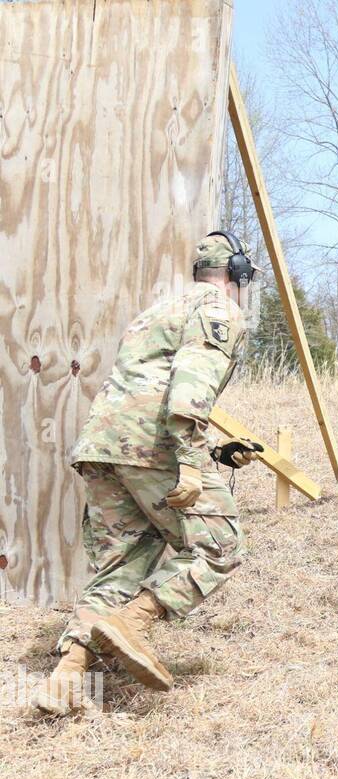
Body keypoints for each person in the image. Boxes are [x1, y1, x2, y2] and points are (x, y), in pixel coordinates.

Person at [32, 232, 262, 715]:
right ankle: (132, 623)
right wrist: (190, 461)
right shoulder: (219, 310)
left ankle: (67, 675)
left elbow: (145, 390)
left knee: (128, 559)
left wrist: (214, 454)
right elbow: (191, 382)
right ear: (237, 276)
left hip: (104, 444)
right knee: (220, 545)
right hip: (153, 442)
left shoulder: (158, 312)